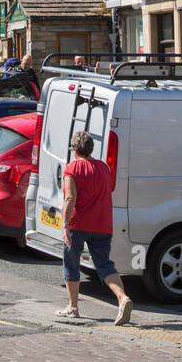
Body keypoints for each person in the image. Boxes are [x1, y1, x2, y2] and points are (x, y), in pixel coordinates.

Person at [57, 129, 133, 326]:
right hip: (102, 223)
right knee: (104, 265)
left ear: (75, 149)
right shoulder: (103, 168)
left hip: (78, 223)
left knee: (71, 263)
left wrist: (64, 225)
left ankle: (73, 307)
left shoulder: (72, 169)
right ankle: (123, 298)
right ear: (91, 148)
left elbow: (70, 198)